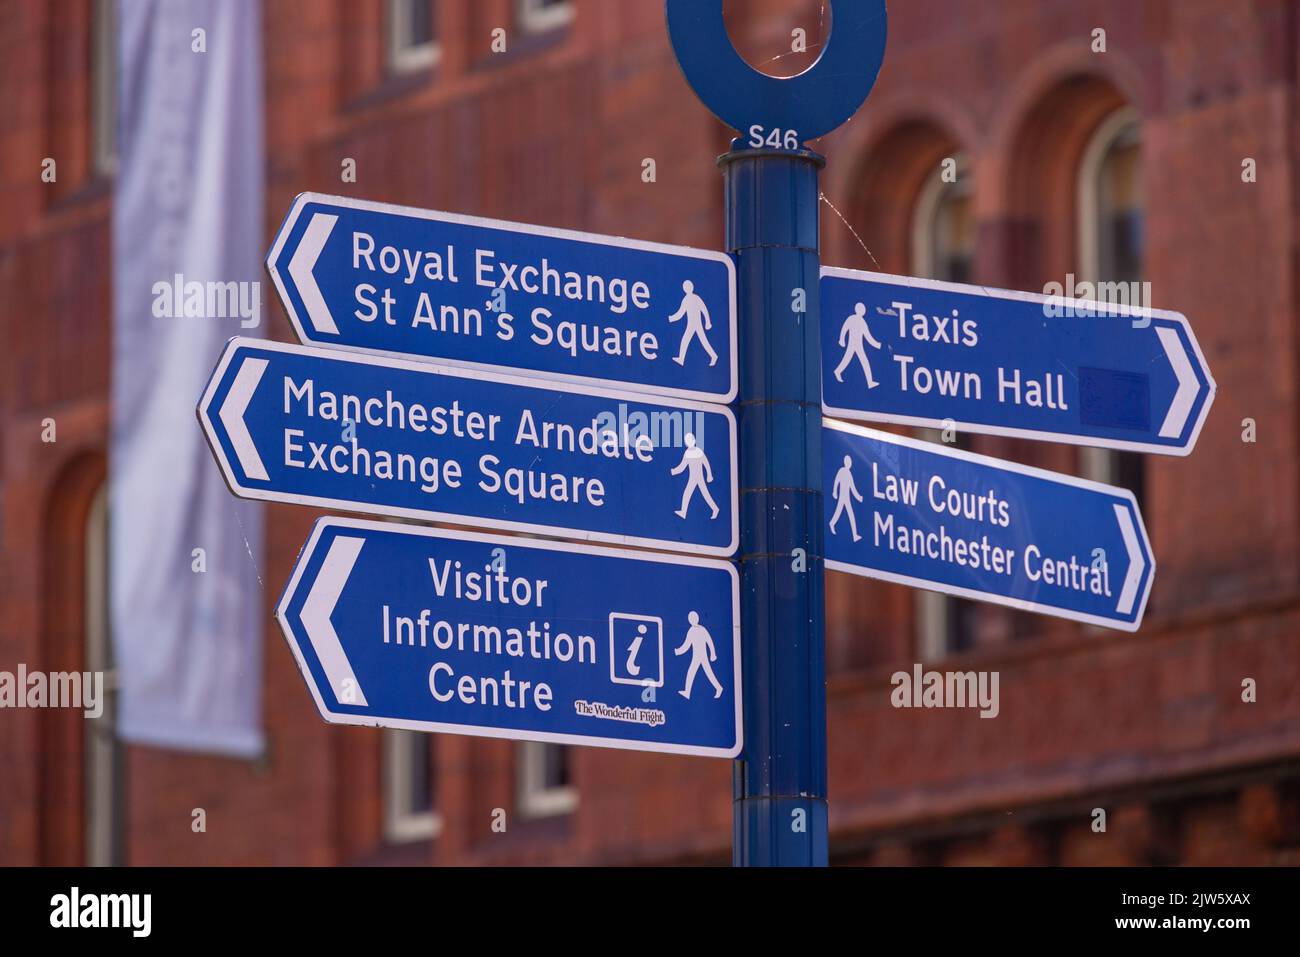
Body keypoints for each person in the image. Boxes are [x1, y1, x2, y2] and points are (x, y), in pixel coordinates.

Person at [668, 280, 719, 367]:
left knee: (700, 341)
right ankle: (681, 359)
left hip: (695, 324)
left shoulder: (691, 299)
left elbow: (703, 309)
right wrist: (671, 318)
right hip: (692, 324)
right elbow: (681, 313)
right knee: (689, 340)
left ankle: (713, 356)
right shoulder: (690, 299)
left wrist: (708, 322)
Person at [671, 432, 720, 520]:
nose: (689, 442)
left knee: (704, 494)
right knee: (688, 493)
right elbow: (682, 467)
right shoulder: (687, 453)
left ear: (694, 440)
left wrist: (709, 475)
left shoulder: (699, 451)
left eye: (690, 440)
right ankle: (683, 512)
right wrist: (674, 471)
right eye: (687, 441)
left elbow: (706, 463)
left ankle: (715, 509)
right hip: (693, 478)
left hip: (699, 477)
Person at [674, 611, 723, 699]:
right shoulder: (695, 630)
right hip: (697, 656)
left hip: (701, 656)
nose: (691, 620)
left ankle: (718, 688)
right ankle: (687, 692)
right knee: (695, 672)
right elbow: (687, 644)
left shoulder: (698, 630)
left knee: (705, 672)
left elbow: (709, 641)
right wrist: (678, 651)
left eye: (692, 618)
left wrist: (713, 653)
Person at [833, 302, 884, 386]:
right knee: (852, 360)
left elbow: (868, 336)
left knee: (860, 361)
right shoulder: (851, 318)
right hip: (852, 344)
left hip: (859, 345)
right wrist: (841, 339)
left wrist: (878, 345)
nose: (863, 311)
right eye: (862, 309)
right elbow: (844, 329)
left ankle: (870, 382)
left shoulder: (862, 322)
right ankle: (838, 371)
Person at [829, 454, 863, 542]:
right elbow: (836, 481)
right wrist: (834, 491)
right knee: (842, 512)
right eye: (848, 462)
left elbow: (852, 487)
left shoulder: (849, 473)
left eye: (850, 462)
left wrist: (858, 497)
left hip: (846, 497)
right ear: (845, 462)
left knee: (847, 514)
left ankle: (854, 535)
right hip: (842, 496)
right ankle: (832, 523)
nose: (849, 463)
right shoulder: (842, 471)